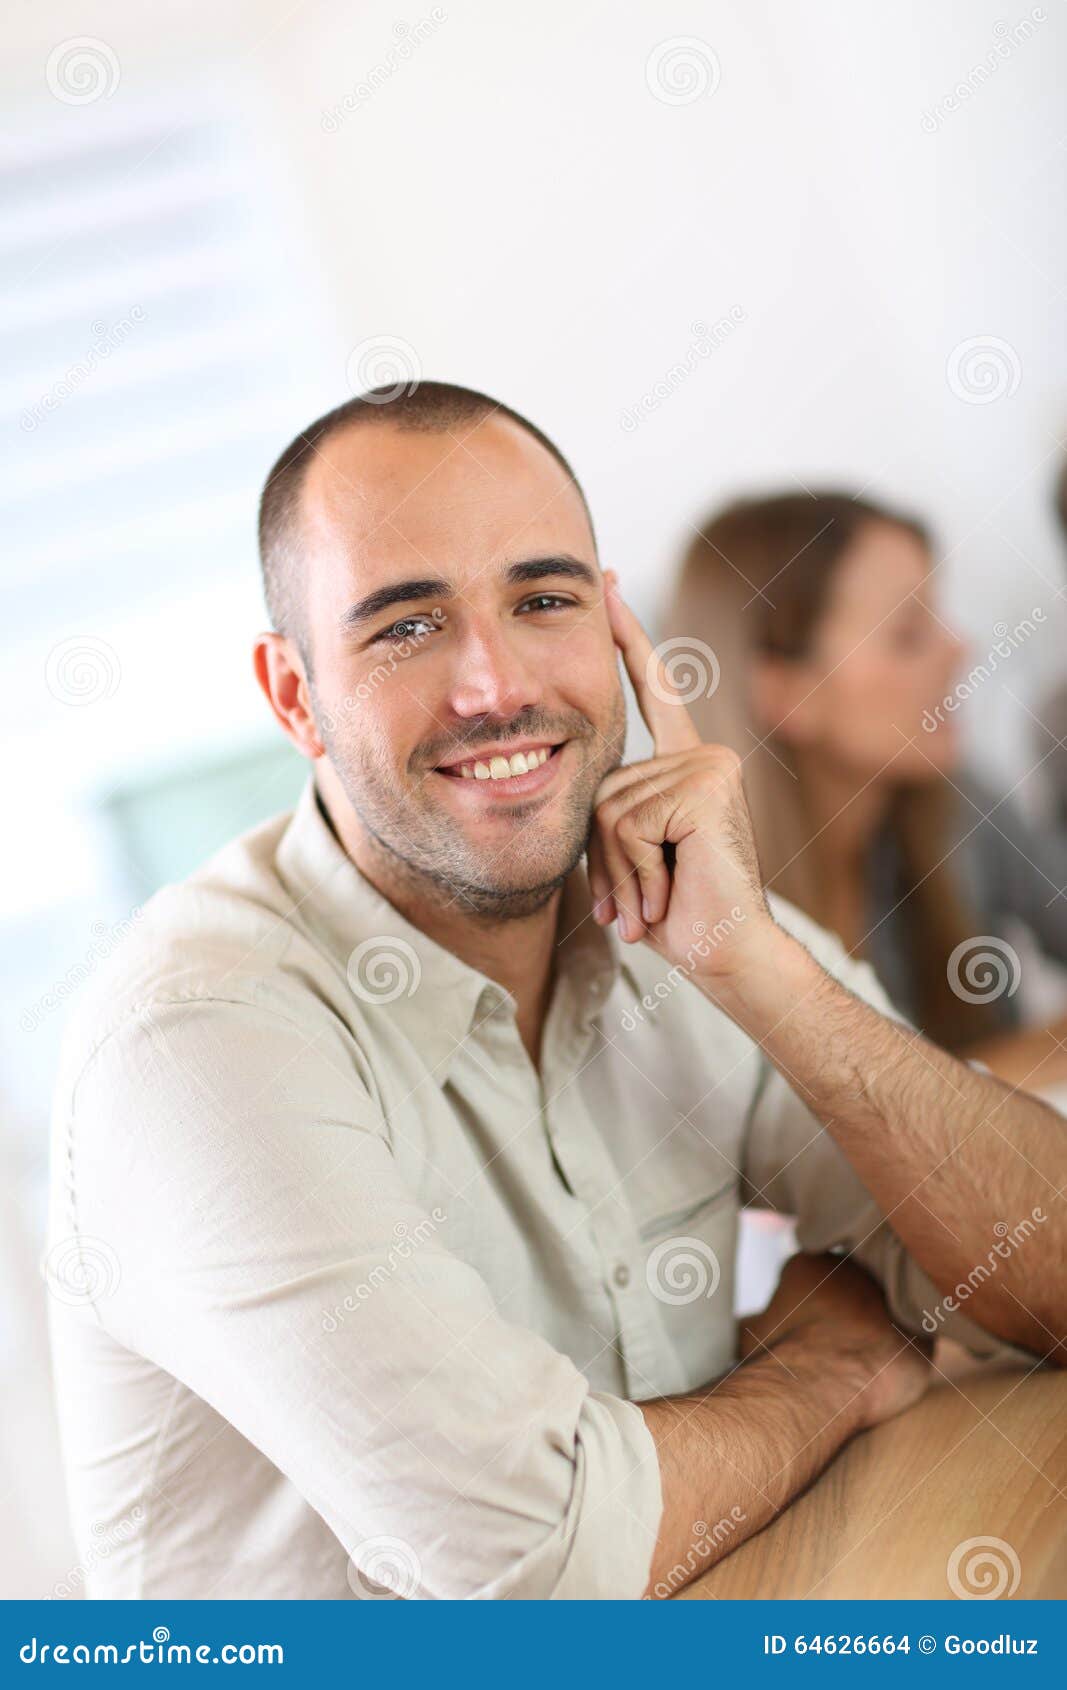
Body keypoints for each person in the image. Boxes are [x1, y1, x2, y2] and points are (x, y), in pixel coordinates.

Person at [49, 386, 1065, 1602]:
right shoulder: (196, 1037)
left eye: (542, 601)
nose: (493, 684)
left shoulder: (666, 900)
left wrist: (765, 975)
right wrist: (827, 1373)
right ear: (292, 695)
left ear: (614, 629)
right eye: (406, 627)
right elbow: (530, 1564)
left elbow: (1037, 1276)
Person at [667, 490, 1067, 1087]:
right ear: (783, 691)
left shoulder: (960, 805)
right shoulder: (696, 919)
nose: (960, 647)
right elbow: (799, 1165)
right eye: (908, 633)